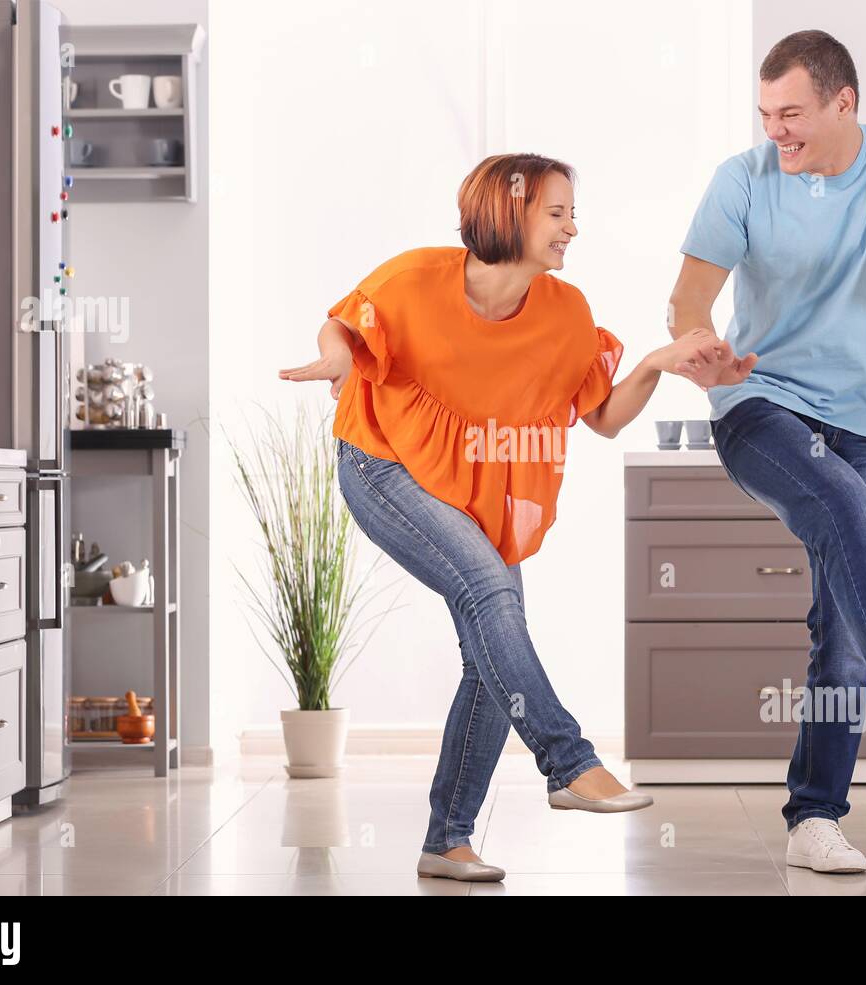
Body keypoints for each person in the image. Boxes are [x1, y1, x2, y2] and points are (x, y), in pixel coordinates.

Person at [280, 152, 752, 882]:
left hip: (473, 488)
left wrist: (658, 363)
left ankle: (447, 840)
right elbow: (343, 326)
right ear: (510, 212)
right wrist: (335, 360)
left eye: (572, 213)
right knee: (490, 593)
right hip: (383, 463)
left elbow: (601, 416)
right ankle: (568, 760)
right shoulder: (416, 279)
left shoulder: (566, 313)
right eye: (557, 213)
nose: (573, 228)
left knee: (492, 651)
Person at [668, 30, 866, 875]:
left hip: (862, 421)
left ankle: (815, 816)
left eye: (793, 113)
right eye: (766, 114)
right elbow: (689, 295)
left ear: (843, 102)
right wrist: (700, 344)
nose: (776, 130)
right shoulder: (743, 179)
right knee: (847, 508)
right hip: (757, 405)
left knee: (841, 622)